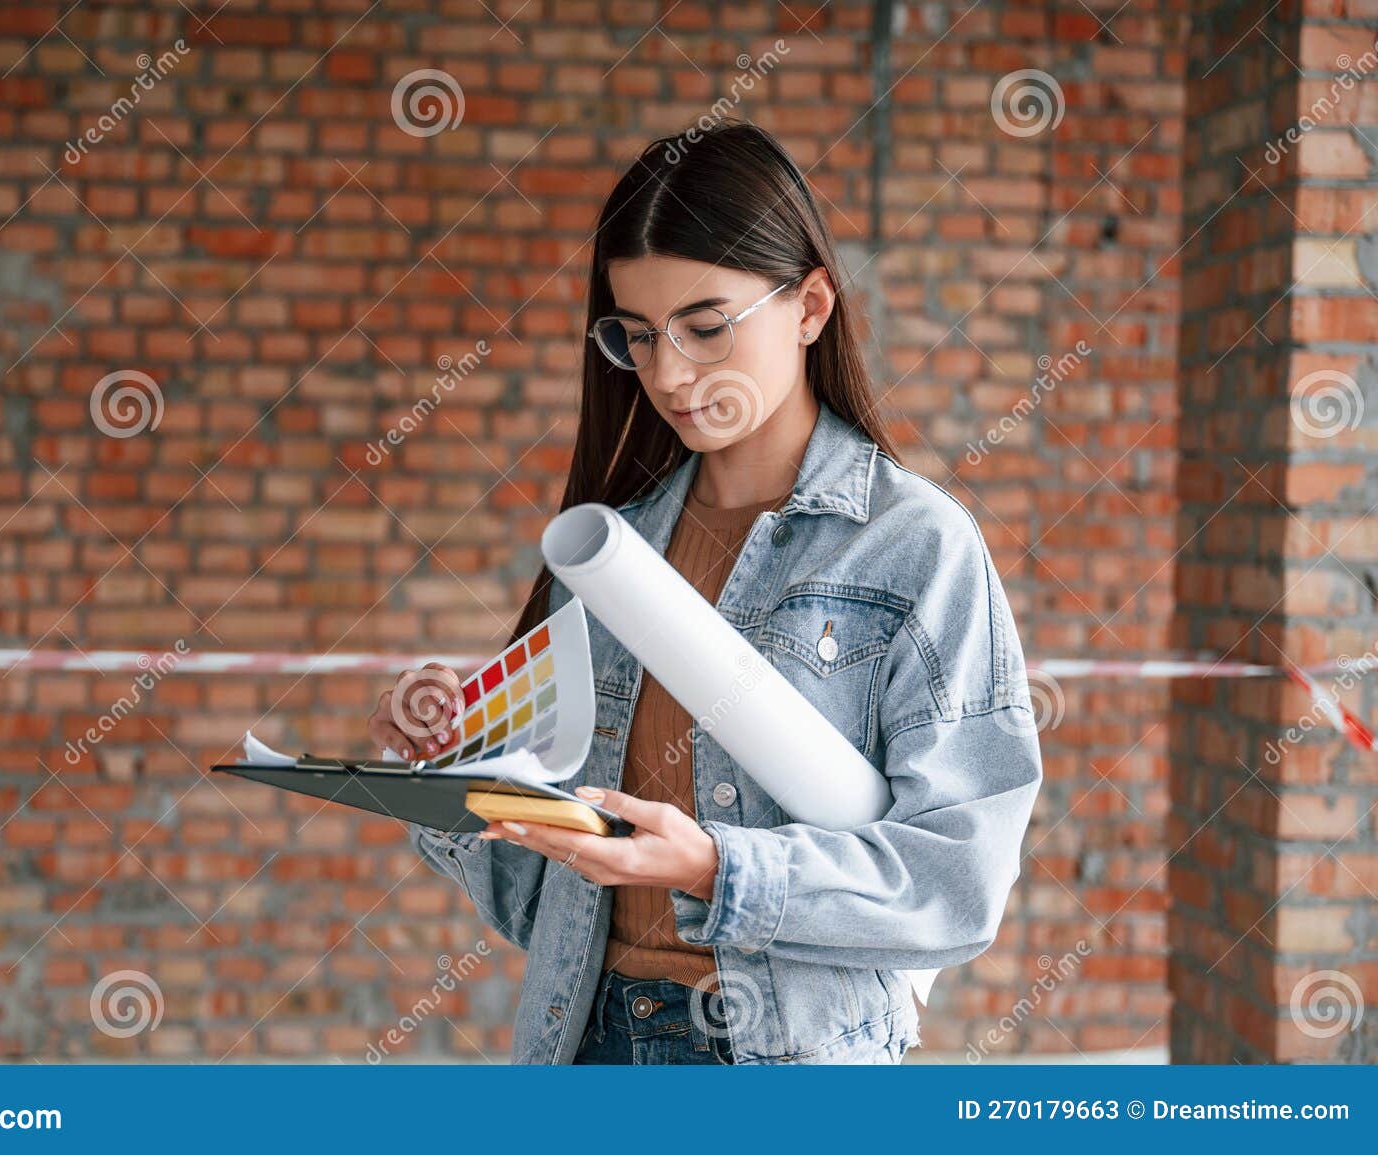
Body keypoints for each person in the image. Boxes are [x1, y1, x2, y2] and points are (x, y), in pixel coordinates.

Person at [368, 118, 1043, 1065]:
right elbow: (538, 900)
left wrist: (720, 868)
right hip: (585, 1044)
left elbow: (958, 881)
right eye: (638, 336)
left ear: (810, 306)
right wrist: (450, 763)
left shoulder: (915, 547)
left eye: (705, 325)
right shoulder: (614, 549)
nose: (671, 375)